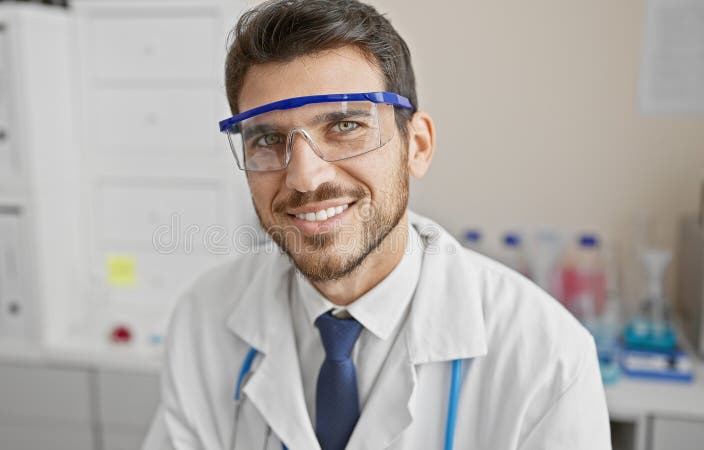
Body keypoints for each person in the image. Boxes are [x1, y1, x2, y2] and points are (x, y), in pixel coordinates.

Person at [142, 0, 611, 449]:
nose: (304, 177)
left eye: (345, 126)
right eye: (267, 138)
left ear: (418, 145)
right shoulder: (203, 321)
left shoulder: (548, 358)